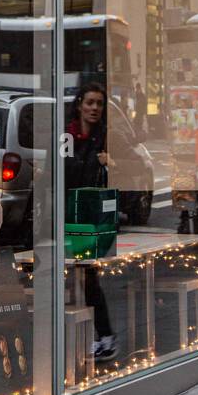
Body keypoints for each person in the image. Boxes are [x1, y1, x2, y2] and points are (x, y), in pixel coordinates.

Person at [66, 82, 117, 361]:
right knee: (75, 278)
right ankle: (94, 337)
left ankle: (103, 337)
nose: (94, 108)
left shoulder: (106, 138)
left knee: (87, 276)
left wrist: (110, 163)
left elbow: (126, 172)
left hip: (93, 220)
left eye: (99, 103)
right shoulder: (67, 136)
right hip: (67, 215)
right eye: (90, 103)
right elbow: (57, 172)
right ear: (79, 105)